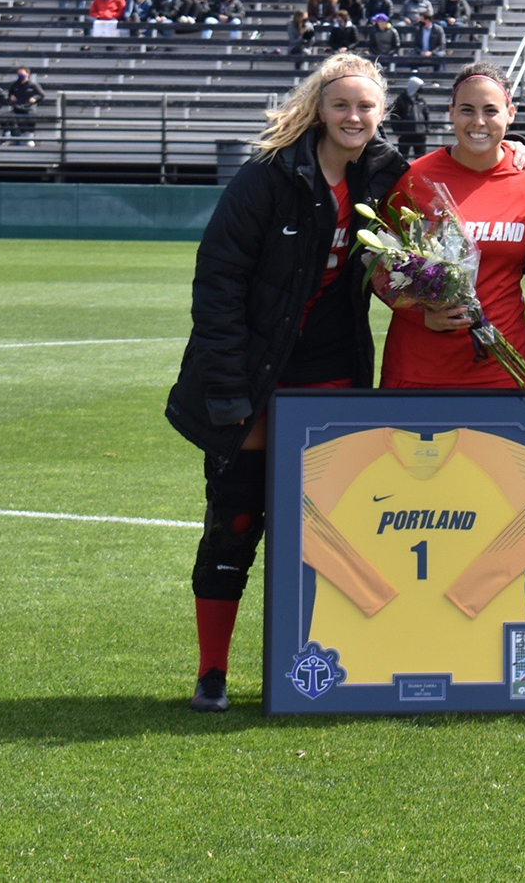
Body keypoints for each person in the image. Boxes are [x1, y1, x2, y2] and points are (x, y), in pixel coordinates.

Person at [164, 53, 406, 713]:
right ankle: (212, 672)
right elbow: (218, 283)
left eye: (365, 106)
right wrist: (227, 392)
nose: (353, 116)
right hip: (255, 382)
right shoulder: (267, 176)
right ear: (319, 109)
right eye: (341, 104)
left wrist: (518, 151)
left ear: (380, 112)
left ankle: (319, 668)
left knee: (332, 533)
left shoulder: (385, 173)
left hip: (333, 377)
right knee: (235, 524)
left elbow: (451, 182)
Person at [379, 63, 525, 391]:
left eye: (491, 110)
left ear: (510, 114)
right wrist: (421, 315)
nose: (478, 122)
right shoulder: (412, 178)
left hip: (502, 368)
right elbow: (379, 267)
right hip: (418, 367)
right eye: (467, 110)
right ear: (451, 112)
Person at [386, 74, 430, 154]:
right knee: (403, 156)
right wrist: (397, 132)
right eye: (420, 87)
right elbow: (394, 116)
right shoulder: (400, 100)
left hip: (420, 134)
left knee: (421, 157)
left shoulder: (421, 100)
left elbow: (426, 115)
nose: (421, 89)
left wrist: (426, 130)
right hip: (405, 133)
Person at [4, 66, 44, 143]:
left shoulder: (33, 85)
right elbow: (9, 94)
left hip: (29, 109)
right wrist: (11, 96)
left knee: (31, 118)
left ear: (27, 74)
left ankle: (30, 138)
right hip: (17, 108)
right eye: (18, 74)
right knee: (4, 118)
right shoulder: (15, 84)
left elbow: (41, 95)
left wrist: (35, 98)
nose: (20, 75)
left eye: (22, 73)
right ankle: (11, 137)